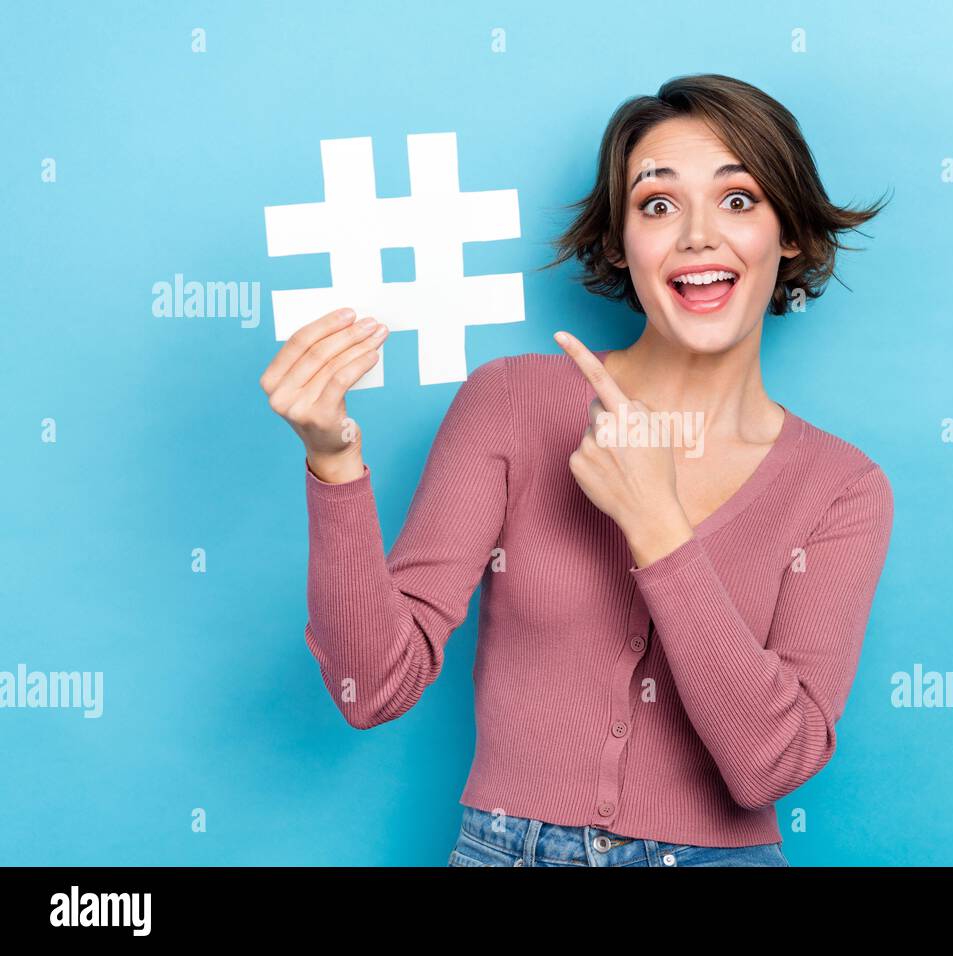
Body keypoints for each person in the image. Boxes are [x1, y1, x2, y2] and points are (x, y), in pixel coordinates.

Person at [260, 73, 894, 867]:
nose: (698, 235)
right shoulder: (515, 403)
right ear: (621, 243)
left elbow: (772, 764)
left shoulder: (840, 488)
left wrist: (656, 523)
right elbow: (374, 687)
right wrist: (333, 460)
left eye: (739, 200)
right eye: (657, 205)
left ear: (789, 234)